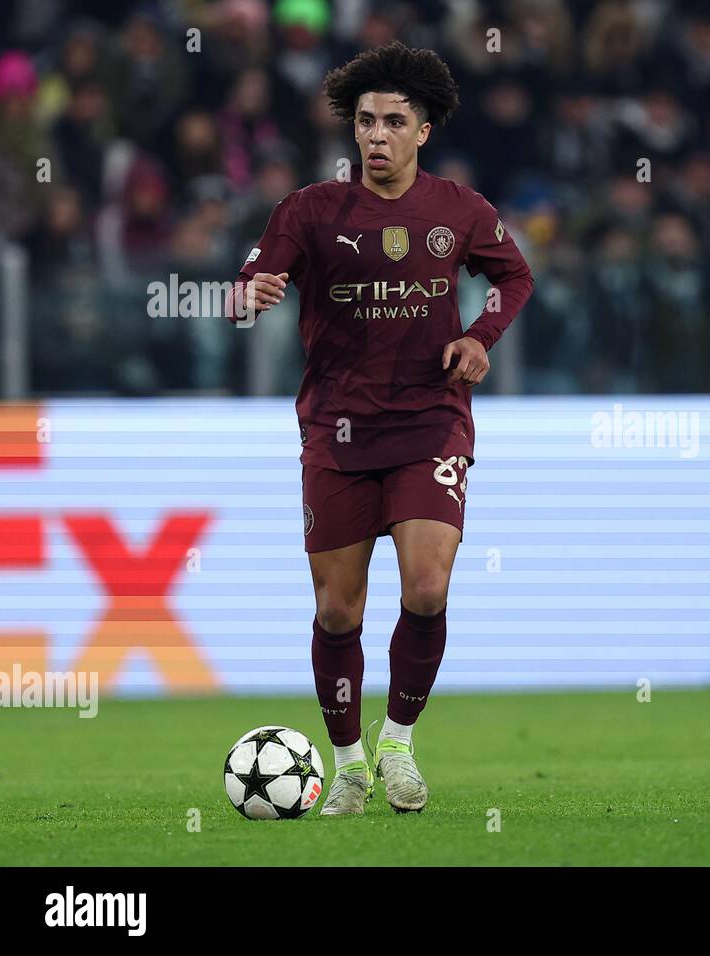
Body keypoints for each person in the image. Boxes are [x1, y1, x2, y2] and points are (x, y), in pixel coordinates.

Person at [226, 42, 534, 814]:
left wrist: (478, 339)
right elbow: (245, 286)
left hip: (430, 420)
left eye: (394, 121)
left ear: (422, 131)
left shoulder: (459, 209)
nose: (376, 135)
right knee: (339, 611)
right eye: (366, 121)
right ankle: (350, 764)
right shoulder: (309, 209)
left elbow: (514, 277)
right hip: (336, 428)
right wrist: (249, 293)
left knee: (427, 587)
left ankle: (397, 743)